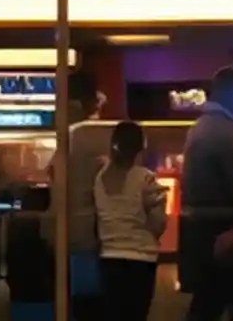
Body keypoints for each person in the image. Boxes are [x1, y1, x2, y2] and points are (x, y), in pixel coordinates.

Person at [180, 67, 233, 321]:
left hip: (202, 228)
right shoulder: (226, 131)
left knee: (207, 302)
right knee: (231, 301)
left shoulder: (201, 126)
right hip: (224, 229)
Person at [94, 121, 167, 321]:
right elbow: (158, 225)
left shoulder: (100, 178)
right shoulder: (145, 178)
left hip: (109, 257)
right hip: (141, 260)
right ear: (141, 146)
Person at [66, 70, 106, 320]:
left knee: (80, 303)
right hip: (96, 235)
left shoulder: (73, 136)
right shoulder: (95, 135)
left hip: (76, 234)